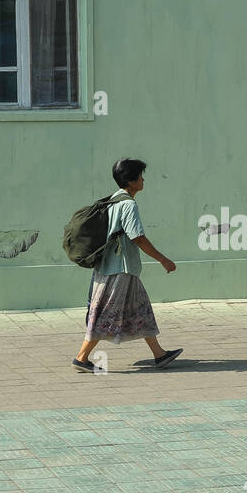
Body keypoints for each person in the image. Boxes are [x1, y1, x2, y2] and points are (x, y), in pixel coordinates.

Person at [73, 158, 183, 372]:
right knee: (105, 314)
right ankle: (81, 357)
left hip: (117, 267)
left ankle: (159, 355)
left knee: (141, 310)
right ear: (131, 181)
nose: (143, 180)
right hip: (119, 270)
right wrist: (163, 259)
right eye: (140, 176)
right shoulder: (128, 205)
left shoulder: (113, 200)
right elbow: (138, 238)